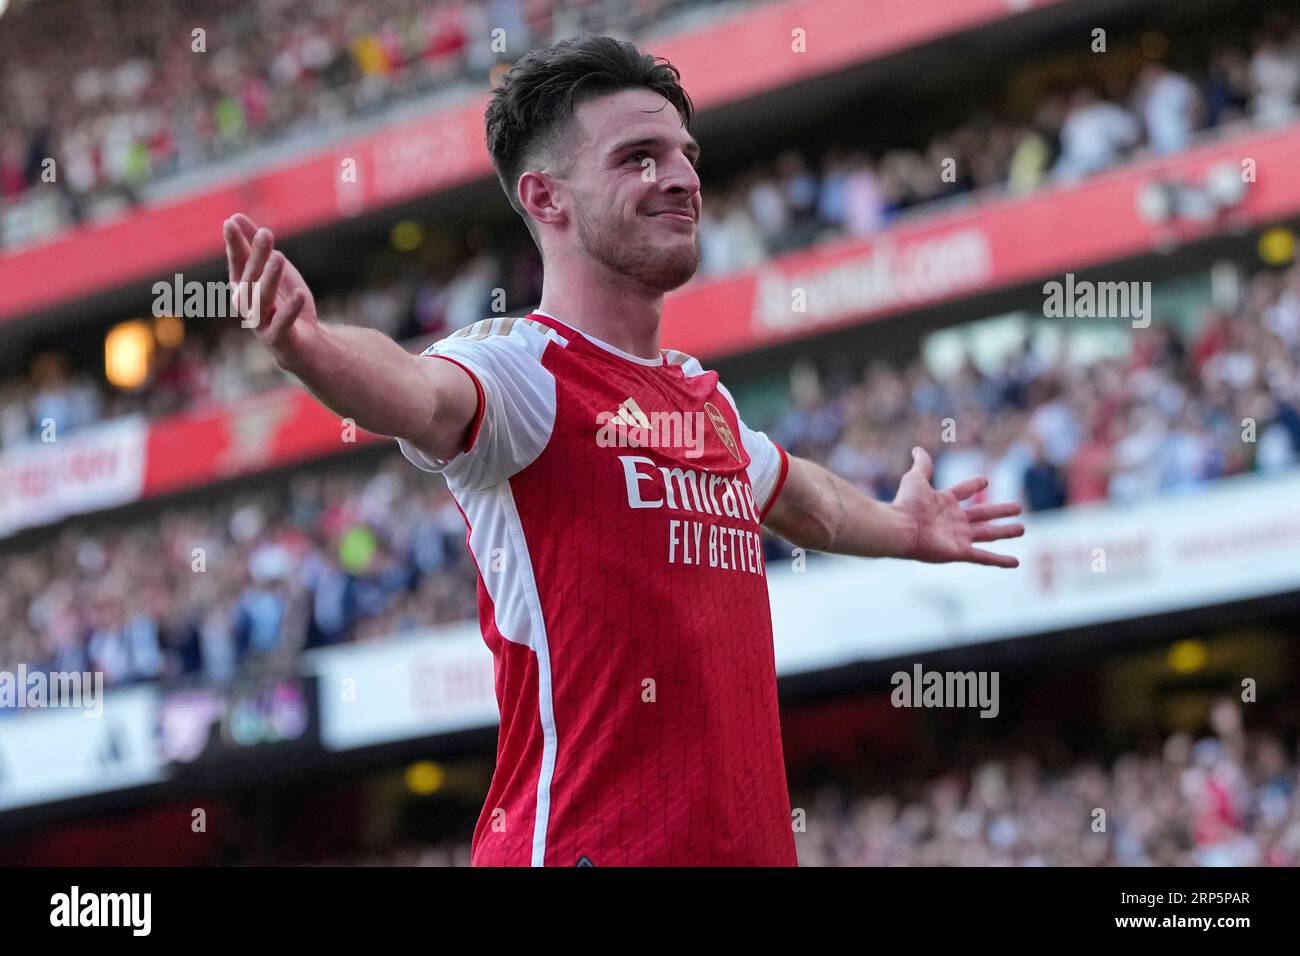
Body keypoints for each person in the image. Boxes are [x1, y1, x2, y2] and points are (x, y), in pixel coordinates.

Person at [220, 34, 1024, 866]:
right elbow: (419, 392)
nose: (681, 178)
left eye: (685, 154)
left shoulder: (701, 403)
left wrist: (904, 529)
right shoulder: (523, 373)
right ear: (546, 198)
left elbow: (802, 499)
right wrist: (313, 349)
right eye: (639, 158)